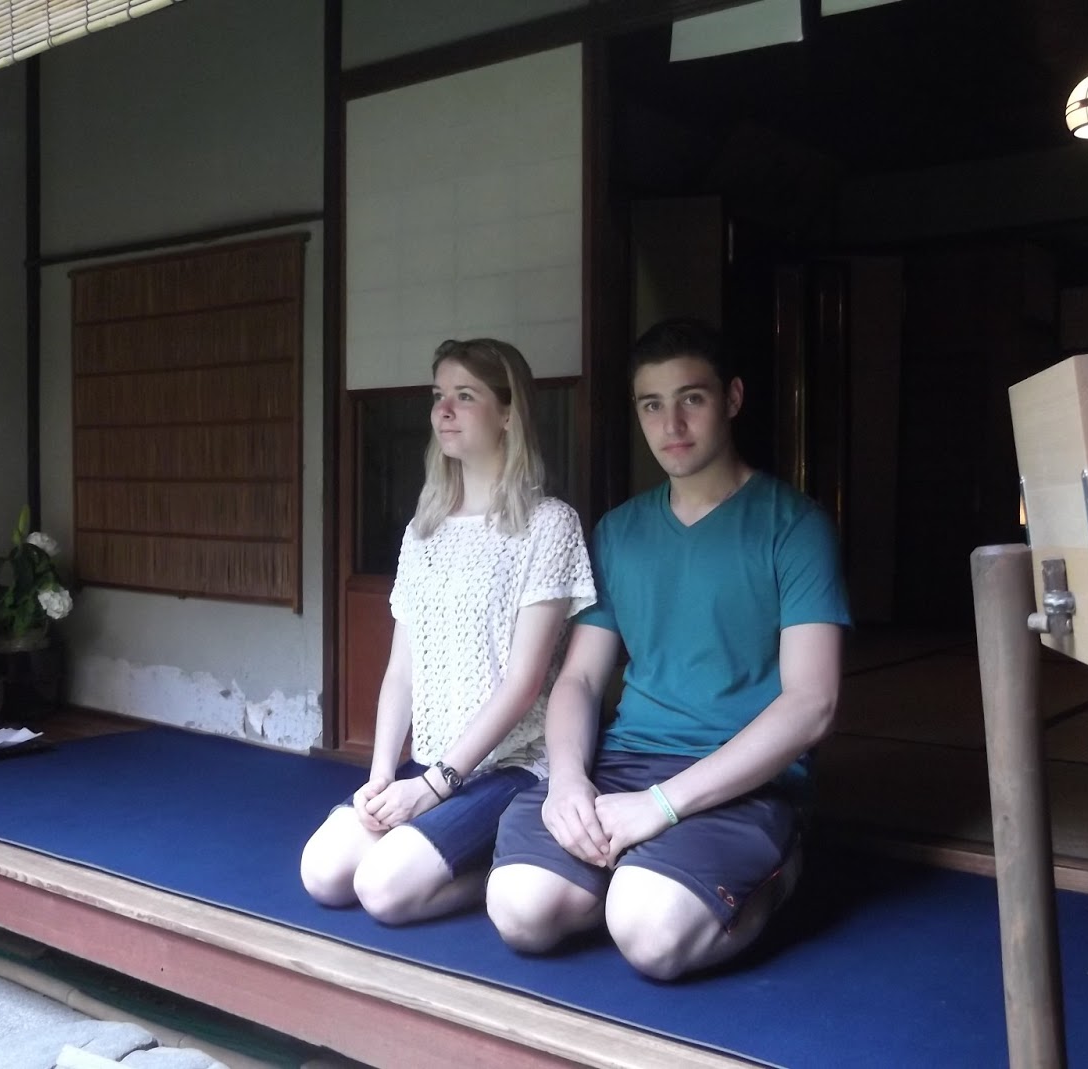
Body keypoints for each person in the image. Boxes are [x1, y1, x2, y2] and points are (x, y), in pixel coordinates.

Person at [486, 317, 850, 979]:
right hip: (625, 762)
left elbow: (812, 703)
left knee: (650, 932)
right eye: (651, 405)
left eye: (692, 399)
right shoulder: (620, 531)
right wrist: (567, 780)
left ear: (732, 399)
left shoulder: (794, 526)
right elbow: (580, 680)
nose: (671, 424)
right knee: (521, 909)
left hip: (742, 776)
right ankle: (634, 872)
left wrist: (661, 806)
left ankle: (772, 871)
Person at [300, 338, 594, 925]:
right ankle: (442, 848)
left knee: (383, 891)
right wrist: (382, 775)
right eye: (439, 396)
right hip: (431, 762)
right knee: (324, 874)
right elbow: (400, 672)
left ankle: (495, 871)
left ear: (508, 413)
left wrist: (433, 788)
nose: (444, 410)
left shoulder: (550, 525)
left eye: (465, 396)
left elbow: (524, 683)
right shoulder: (423, 531)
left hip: (510, 766)